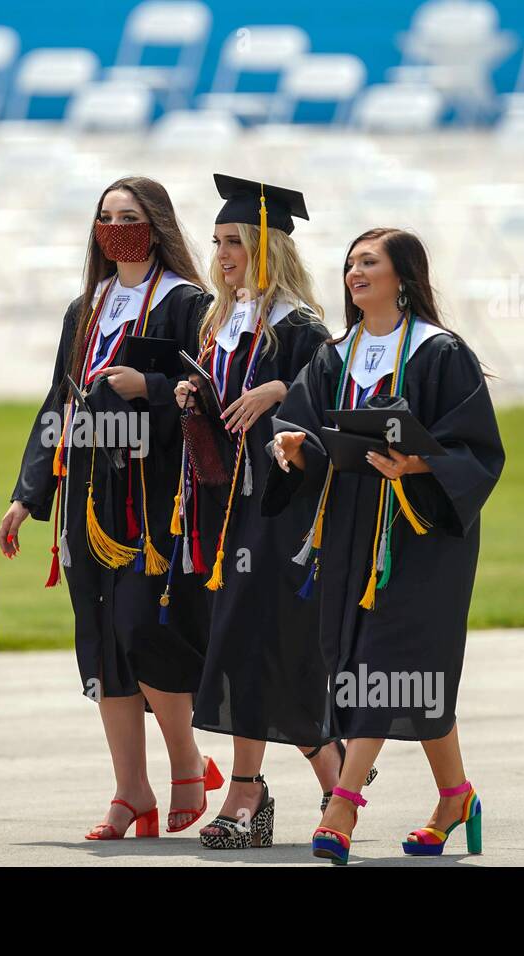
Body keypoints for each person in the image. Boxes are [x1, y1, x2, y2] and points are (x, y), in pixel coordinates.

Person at [265, 227, 505, 864]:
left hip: (420, 535)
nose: (354, 273)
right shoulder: (335, 355)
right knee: (398, 674)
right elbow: (311, 431)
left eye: (369, 262)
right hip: (350, 531)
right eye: (349, 264)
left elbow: (477, 449)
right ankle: (455, 797)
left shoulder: (439, 352)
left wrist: (417, 468)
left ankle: (342, 806)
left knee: (382, 663)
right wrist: (292, 447)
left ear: (404, 276)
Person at [0, 176, 222, 839]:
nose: (116, 226)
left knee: (141, 630)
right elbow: (57, 405)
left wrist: (147, 385)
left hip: (150, 500)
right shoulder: (85, 308)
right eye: (106, 217)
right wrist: (25, 495)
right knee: (99, 648)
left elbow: (204, 389)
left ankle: (186, 763)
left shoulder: (188, 302)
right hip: (85, 493)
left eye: (129, 216)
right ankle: (131, 792)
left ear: (156, 225)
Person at [175, 175, 371, 850]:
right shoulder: (223, 320)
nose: (224, 254)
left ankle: (251, 794)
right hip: (231, 511)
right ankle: (331, 776)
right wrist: (195, 394)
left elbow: (330, 399)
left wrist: (280, 388)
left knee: (261, 645)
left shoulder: (300, 325)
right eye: (218, 241)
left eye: (236, 241)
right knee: (250, 647)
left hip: (283, 512)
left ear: (268, 247)